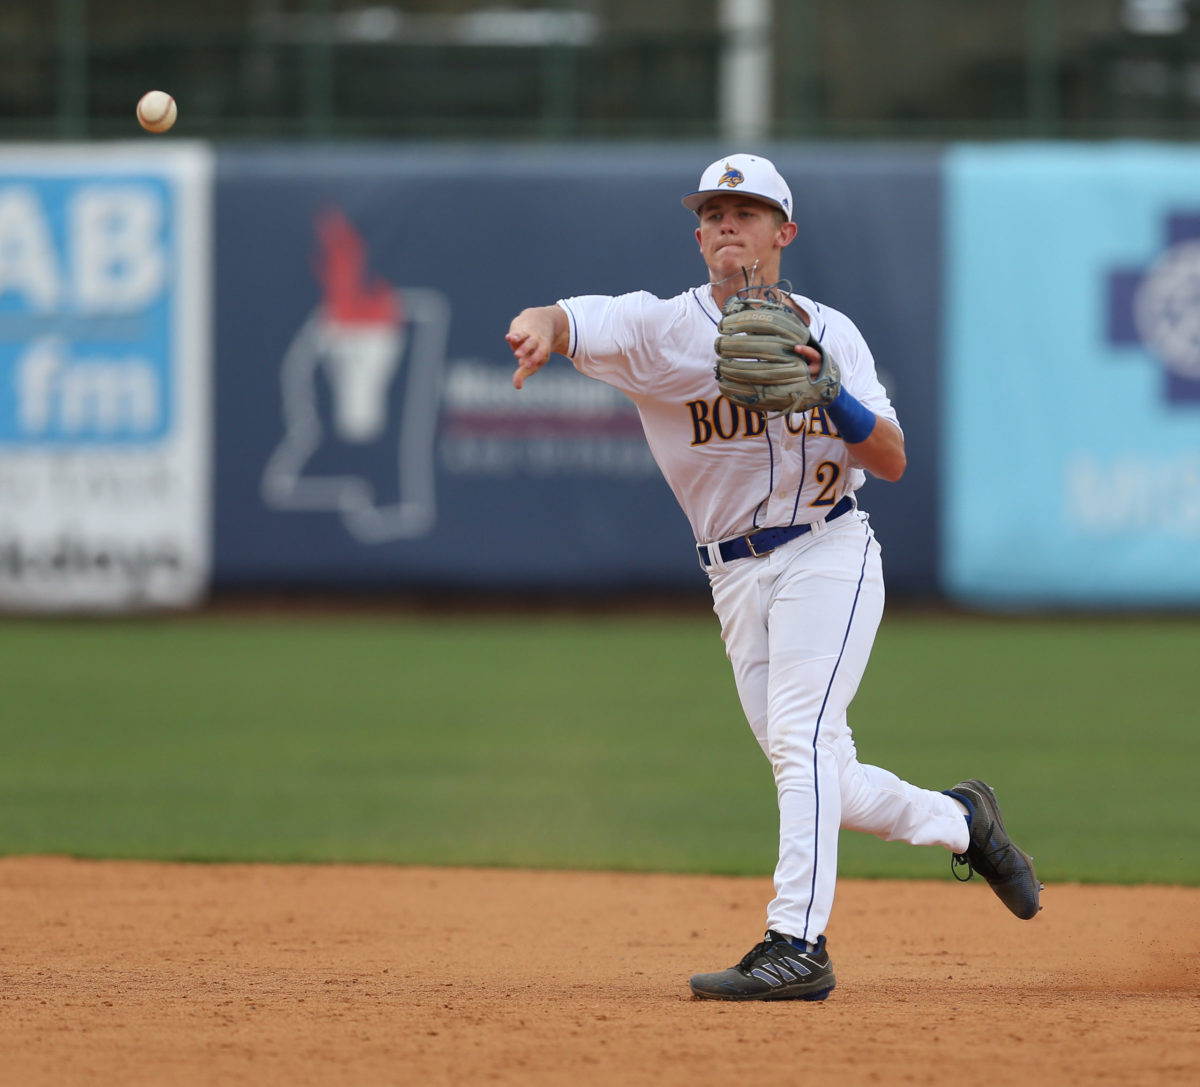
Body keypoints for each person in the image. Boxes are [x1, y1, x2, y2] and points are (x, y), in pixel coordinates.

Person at [505, 153, 1041, 1002]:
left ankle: (797, 943)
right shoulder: (658, 331)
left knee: (800, 744)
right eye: (714, 212)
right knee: (826, 770)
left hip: (829, 551)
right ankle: (963, 821)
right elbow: (569, 317)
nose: (727, 223)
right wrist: (539, 326)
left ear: (782, 233)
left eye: (746, 211)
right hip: (732, 579)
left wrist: (832, 394)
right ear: (698, 235)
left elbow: (892, 459)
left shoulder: (833, 331)